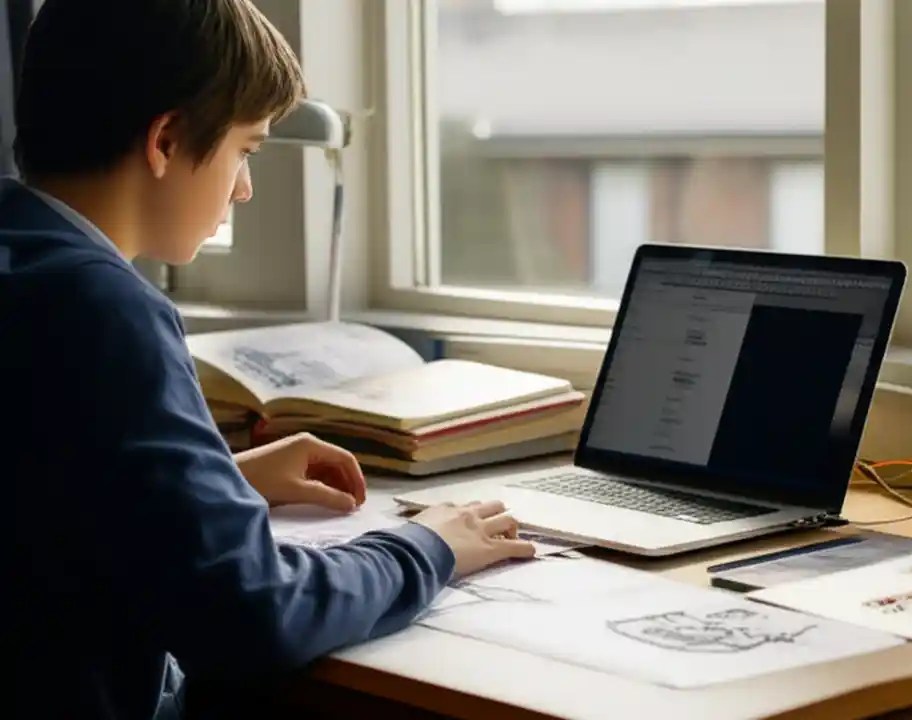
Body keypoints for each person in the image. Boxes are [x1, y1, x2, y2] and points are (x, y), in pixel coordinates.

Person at [0, 1, 535, 718]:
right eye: (245, 151)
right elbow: (252, 613)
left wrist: (229, 482)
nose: (244, 188)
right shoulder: (101, 306)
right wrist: (425, 546)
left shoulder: (22, 263)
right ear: (166, 140)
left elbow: (43, 506)